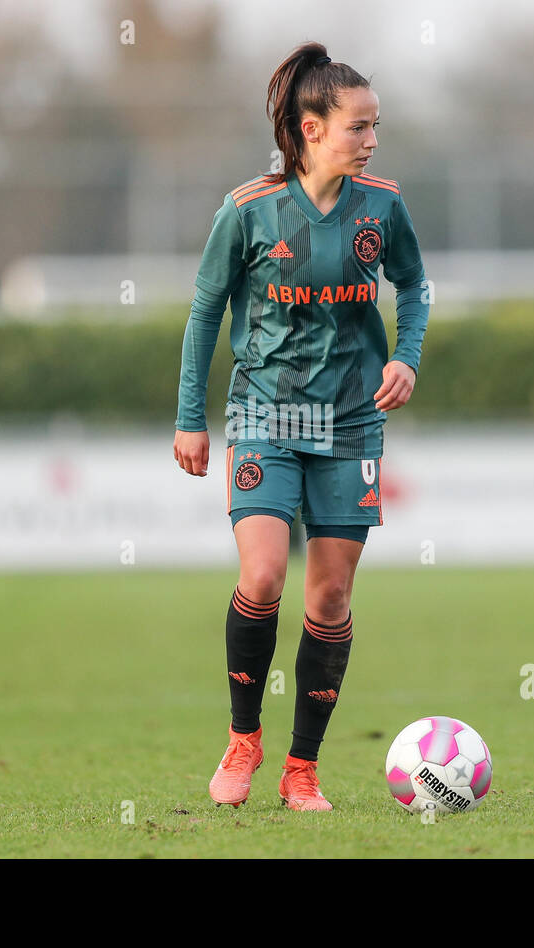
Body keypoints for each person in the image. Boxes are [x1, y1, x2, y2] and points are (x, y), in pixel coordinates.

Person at [173, 41, 430, 811]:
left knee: (329, 599)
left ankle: (302, 768)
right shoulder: (247, 208)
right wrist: (192, 417)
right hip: (264, 417)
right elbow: (204, 311)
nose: (372, 140)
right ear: (312, 128)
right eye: (359, 127)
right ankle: (244, 740)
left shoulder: (383, 206)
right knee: (262, 576)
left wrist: (406, 356)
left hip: (352, 423)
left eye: (375, 126)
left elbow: (414, 285)